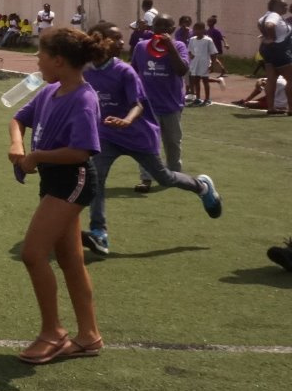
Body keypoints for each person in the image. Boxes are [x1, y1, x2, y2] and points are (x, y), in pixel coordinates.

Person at [79, 22, 221, 256]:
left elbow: (138, 105)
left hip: (137, 135)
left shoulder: (125, 71)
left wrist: (126, 120)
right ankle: (98, 232)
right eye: (116, 38)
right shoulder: (86, 71)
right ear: (99, 41)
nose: (122, 43)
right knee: (96, 181)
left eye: (121, 38)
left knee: (163, 178)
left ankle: (202, 187)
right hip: (107, 136)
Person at [7, 27, 104, 364]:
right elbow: (18, 119)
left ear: (59, 60)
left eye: (41, 54)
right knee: (70, 261)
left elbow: (81, 152)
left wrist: (36, 157)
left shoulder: (83, 99)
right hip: (53, 182)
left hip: (71, 181)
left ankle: (53, 332)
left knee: (34, 254)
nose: (37, 59)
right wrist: (18, 144)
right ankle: (89, 336)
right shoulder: (51, 92)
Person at [130, 15, 192, 191]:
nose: (162, 28)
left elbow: (182, 70)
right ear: (152, 27)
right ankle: (146, 178)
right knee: (148, 143)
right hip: (148, 105)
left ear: (172, 29)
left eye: (167, 26)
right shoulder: (141, 47)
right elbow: (133, 72)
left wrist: (170, 46)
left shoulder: (179, 46)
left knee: (173, 142)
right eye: (158, 25)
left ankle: (174, 176)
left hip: (171, 105)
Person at [256, 0, 292, 114]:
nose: (286, 8)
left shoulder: (266, 15)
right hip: (279, 50)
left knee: (272, 79)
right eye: (284, 5)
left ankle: (271, 108)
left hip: (267, 50)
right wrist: (271, 38)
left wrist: (265, 36)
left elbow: (260, 23)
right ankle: (291, 109)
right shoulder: (274, 16)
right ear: (276, 6)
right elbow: (270, 25)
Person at [187, 21, 218, 106]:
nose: (196, 31)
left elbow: (213, 53)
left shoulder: (208, 40)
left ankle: (207, 99)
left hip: (204, 63)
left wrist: (212, 64)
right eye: (195, 29)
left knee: (205, 81)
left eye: (198, 29)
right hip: (195, 63)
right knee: (196, 81)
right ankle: (197, 98)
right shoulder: (192, 40)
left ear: (203, 30)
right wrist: (191, 55)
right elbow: (189, 50)